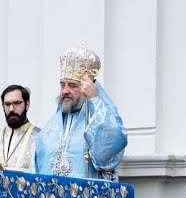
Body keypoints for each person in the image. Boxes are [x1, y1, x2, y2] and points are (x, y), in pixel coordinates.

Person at [34, 44, 128, 180]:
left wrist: (94, 99)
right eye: (62, 84)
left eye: (72, 85)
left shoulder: (99, 115)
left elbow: (112, 146)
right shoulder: (49, 129)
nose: (65, 90)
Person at [0, 84, 39, 172]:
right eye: (7, 104)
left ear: (27, 104)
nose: (11, 109)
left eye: (17, 103)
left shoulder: (40, 137)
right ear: (3, 106)